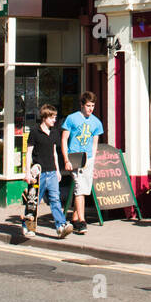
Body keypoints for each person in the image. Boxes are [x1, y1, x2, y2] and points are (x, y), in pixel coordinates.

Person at [22, 104, 73, 239]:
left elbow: (54, 153)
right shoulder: (34, 132)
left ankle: (60, 226)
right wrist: (27, 173)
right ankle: (28, 226)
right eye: (52, 118)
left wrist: (57, 170)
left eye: (55, 117)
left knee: (55, 199)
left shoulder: (54, 132)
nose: (54, 120)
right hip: (38, 173)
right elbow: (29, 153)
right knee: (33, 201)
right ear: (44, 117)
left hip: (51, 172)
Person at [60, 92, 103, 235]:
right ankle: (81, 222)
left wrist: (93, 159)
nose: (91, 109)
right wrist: (66, 159)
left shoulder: (96, 122)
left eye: (93, 106)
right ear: (82, 105)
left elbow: (95, 144)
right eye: (88, 106)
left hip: (88, 158)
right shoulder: (72, 119)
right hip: (75, 156)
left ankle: (74, 218)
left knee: (84, 189)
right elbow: (64, 139)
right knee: (79, 187)